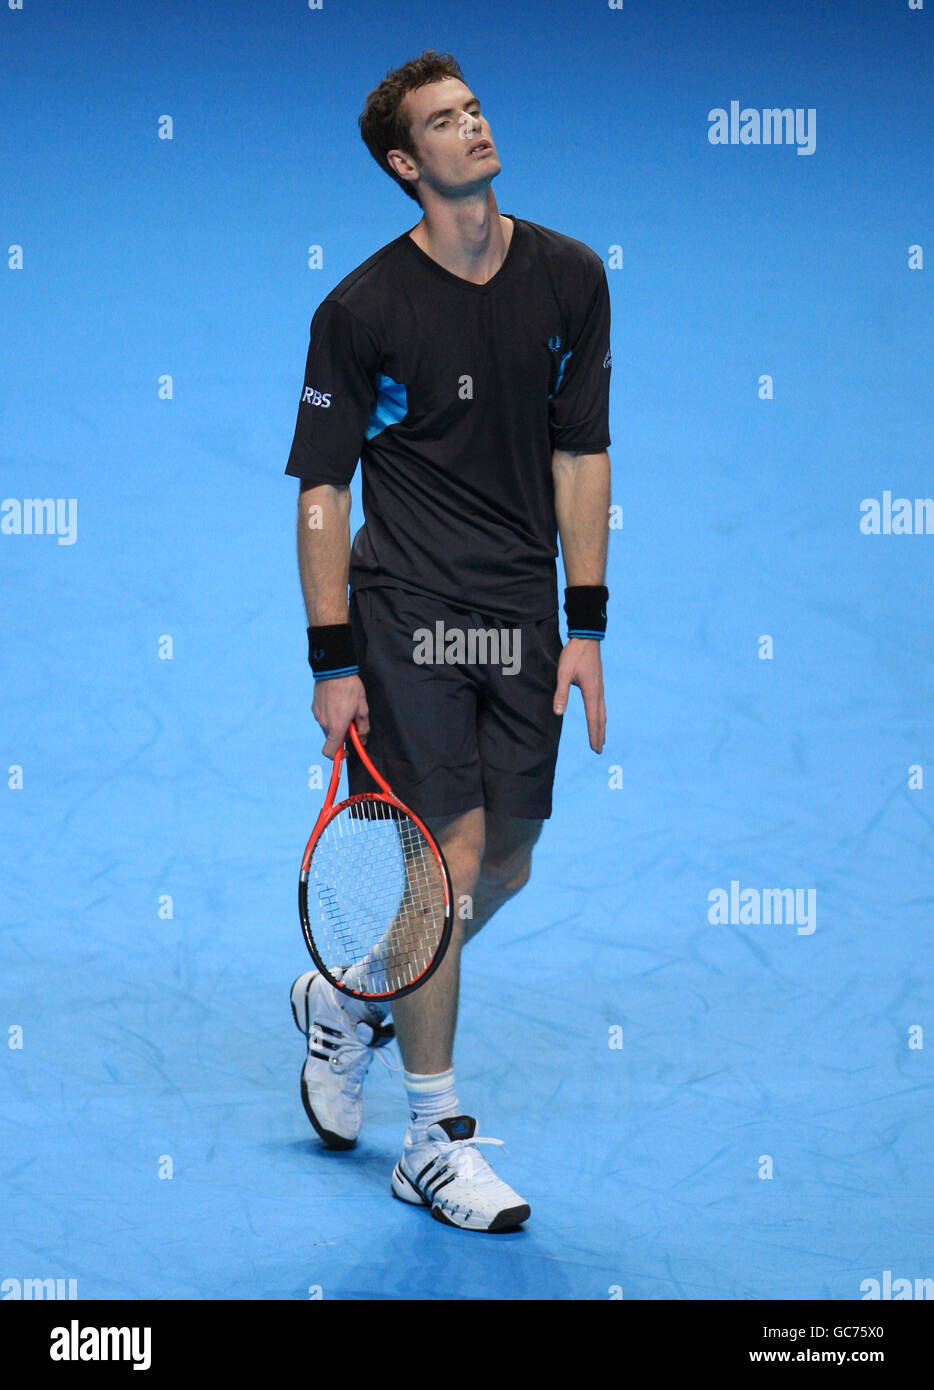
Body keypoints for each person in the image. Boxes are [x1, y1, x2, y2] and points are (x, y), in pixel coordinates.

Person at [284, 50, 612, 1233]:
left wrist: (586, 625)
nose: (472, 127)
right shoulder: (362, 312)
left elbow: (582, 453)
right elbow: (321, 492)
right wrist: (332, 659)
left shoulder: (570, 277)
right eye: (443, 121)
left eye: (474, 108)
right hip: (409, 610)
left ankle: (348, 997)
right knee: (447, 855)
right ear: (402, 162)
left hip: (521, 614)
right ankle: (431, 1136)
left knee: (505, 859)